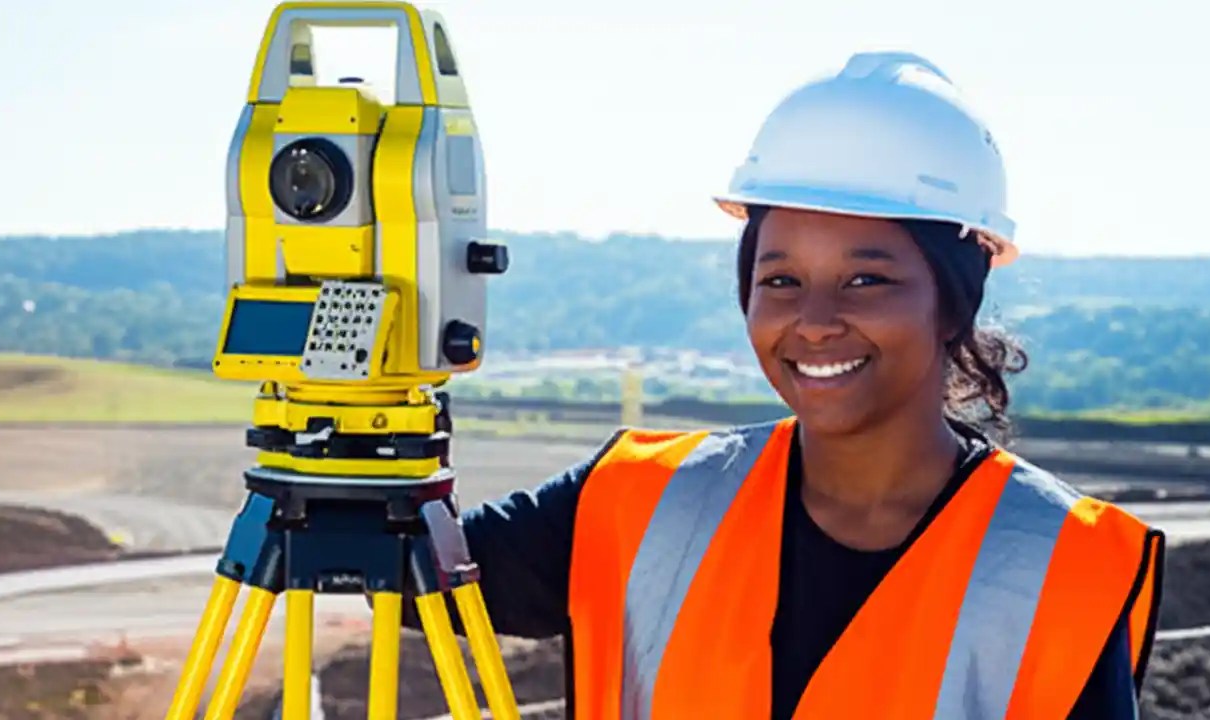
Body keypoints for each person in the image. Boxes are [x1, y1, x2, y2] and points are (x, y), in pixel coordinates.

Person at [403, 52, 1165, 718]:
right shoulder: (636, 506)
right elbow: (394, 561)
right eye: (781, 280)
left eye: (866, 280)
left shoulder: (1059, 568)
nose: (816, 321)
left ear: (953, 301)